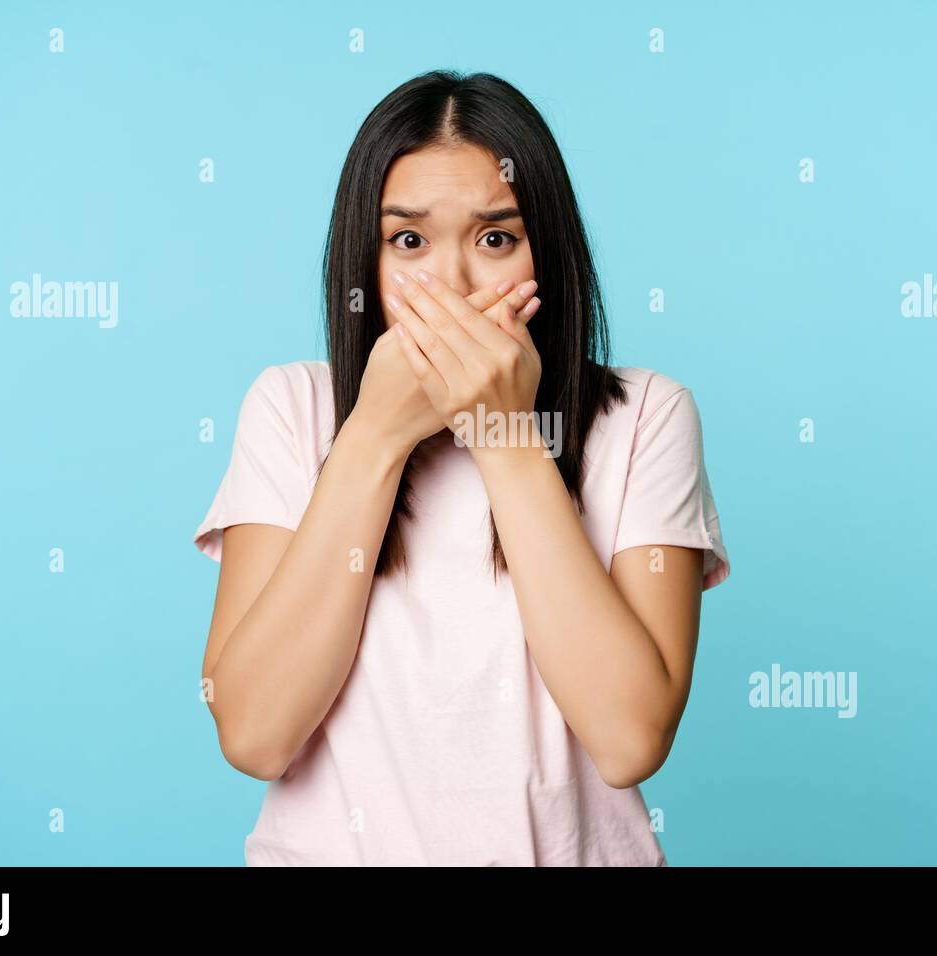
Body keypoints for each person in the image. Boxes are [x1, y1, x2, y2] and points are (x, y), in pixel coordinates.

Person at [192, 70, 730, 866]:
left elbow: (629, 740)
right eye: (409, 241)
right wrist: (374, 436)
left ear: (546, 254)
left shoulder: (646, 416)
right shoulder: (291, 410)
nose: (450, 285)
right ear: (365, 264)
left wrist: (505, 435)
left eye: (495, 239)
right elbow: (254, 734)